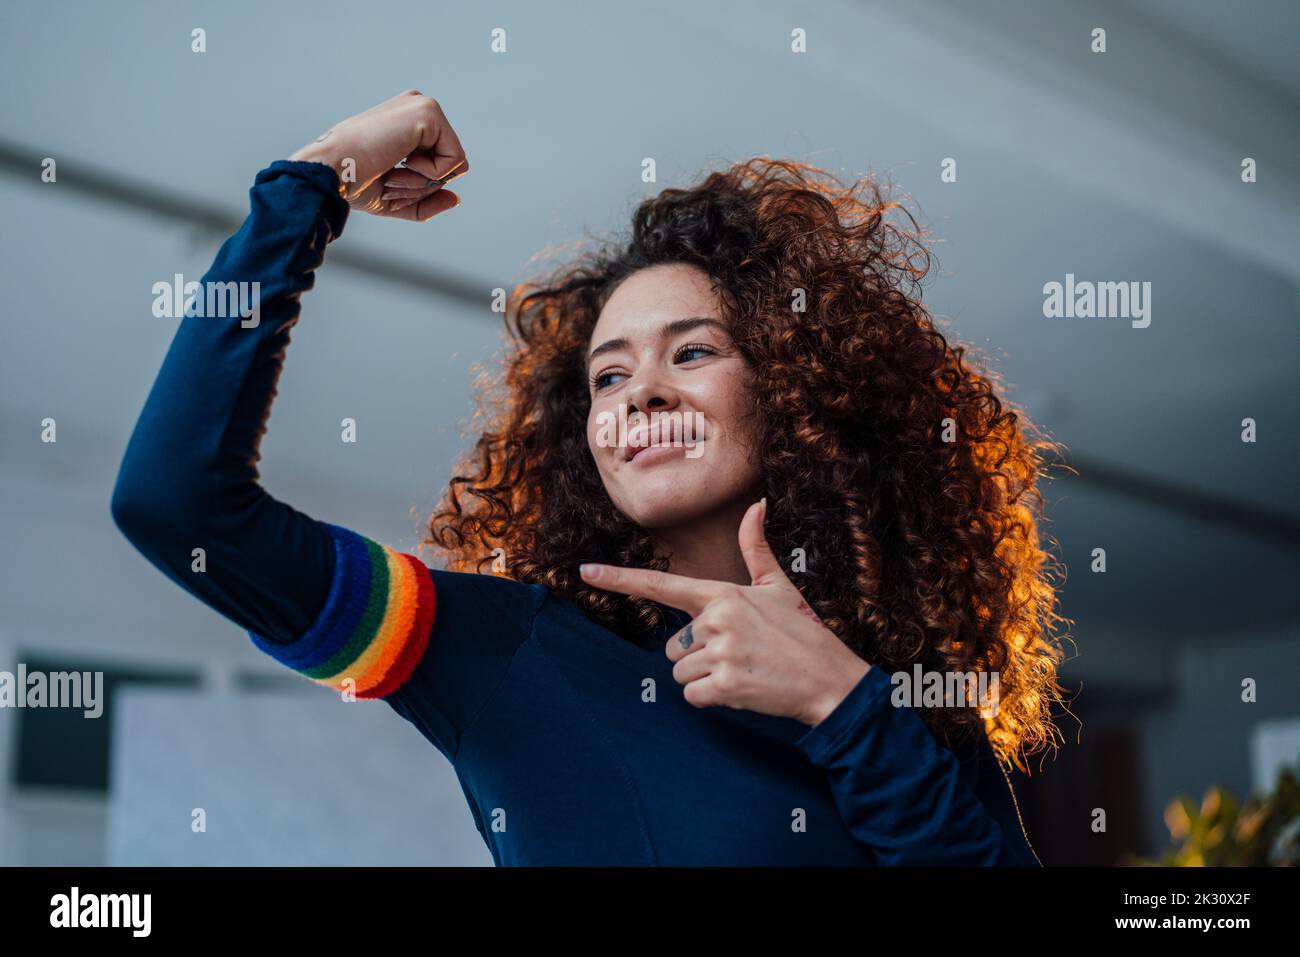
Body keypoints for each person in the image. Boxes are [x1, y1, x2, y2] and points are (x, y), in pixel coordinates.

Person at [112, 90, 1064, 866]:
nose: (640, 391)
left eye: (691, 352)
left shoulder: (906, 708)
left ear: (793, 390)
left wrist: (844, 708)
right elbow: (177, 501)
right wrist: (313, 182)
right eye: (608, 374)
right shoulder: (502, 657)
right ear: (585, 435)